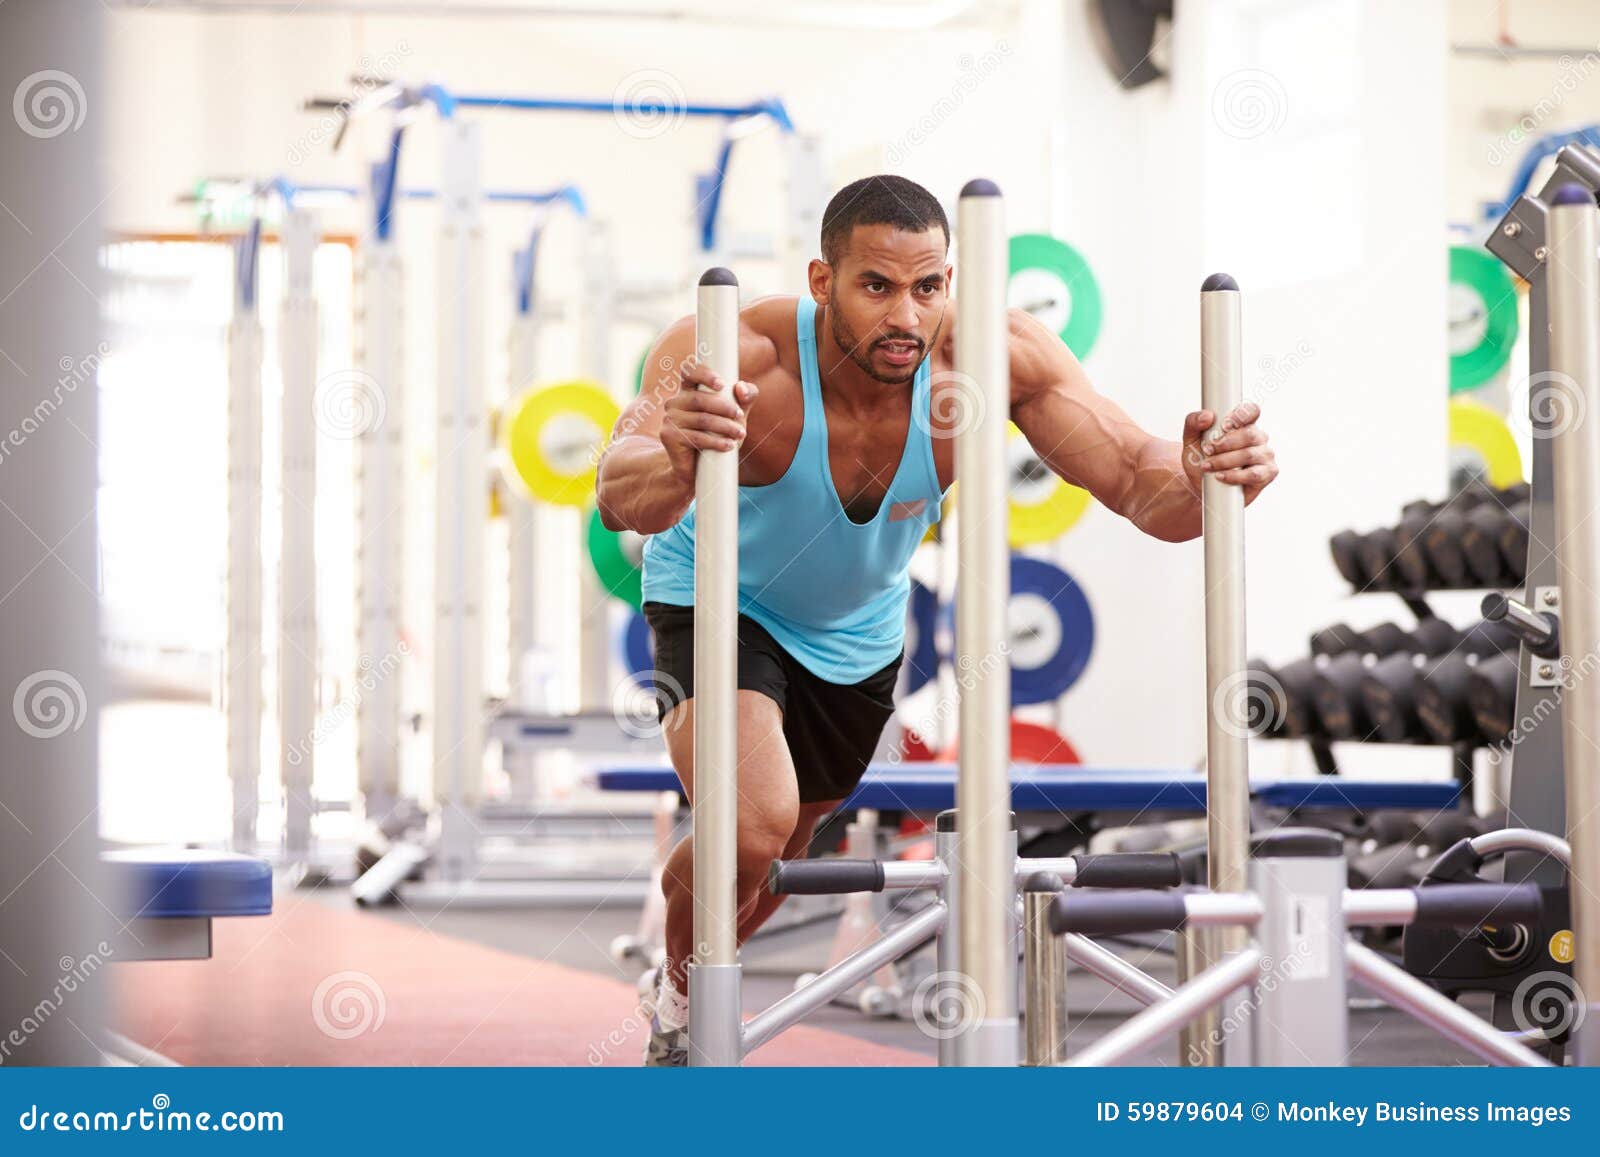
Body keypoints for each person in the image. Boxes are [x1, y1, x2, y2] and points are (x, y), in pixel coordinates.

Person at [593, 174, 1278, 1064]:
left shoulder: (994, 359)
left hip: (856, 635)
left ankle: (682, 974)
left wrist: (1209, 476)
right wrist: (681, 456)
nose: (906, 318)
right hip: (720, 601)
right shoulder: (735, 350)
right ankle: (685, 999)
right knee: (753, 823)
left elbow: (1144, 490)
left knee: (779, 850)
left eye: (929, 287)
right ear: (821, 281)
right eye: (876, 286)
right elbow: (618, 492)